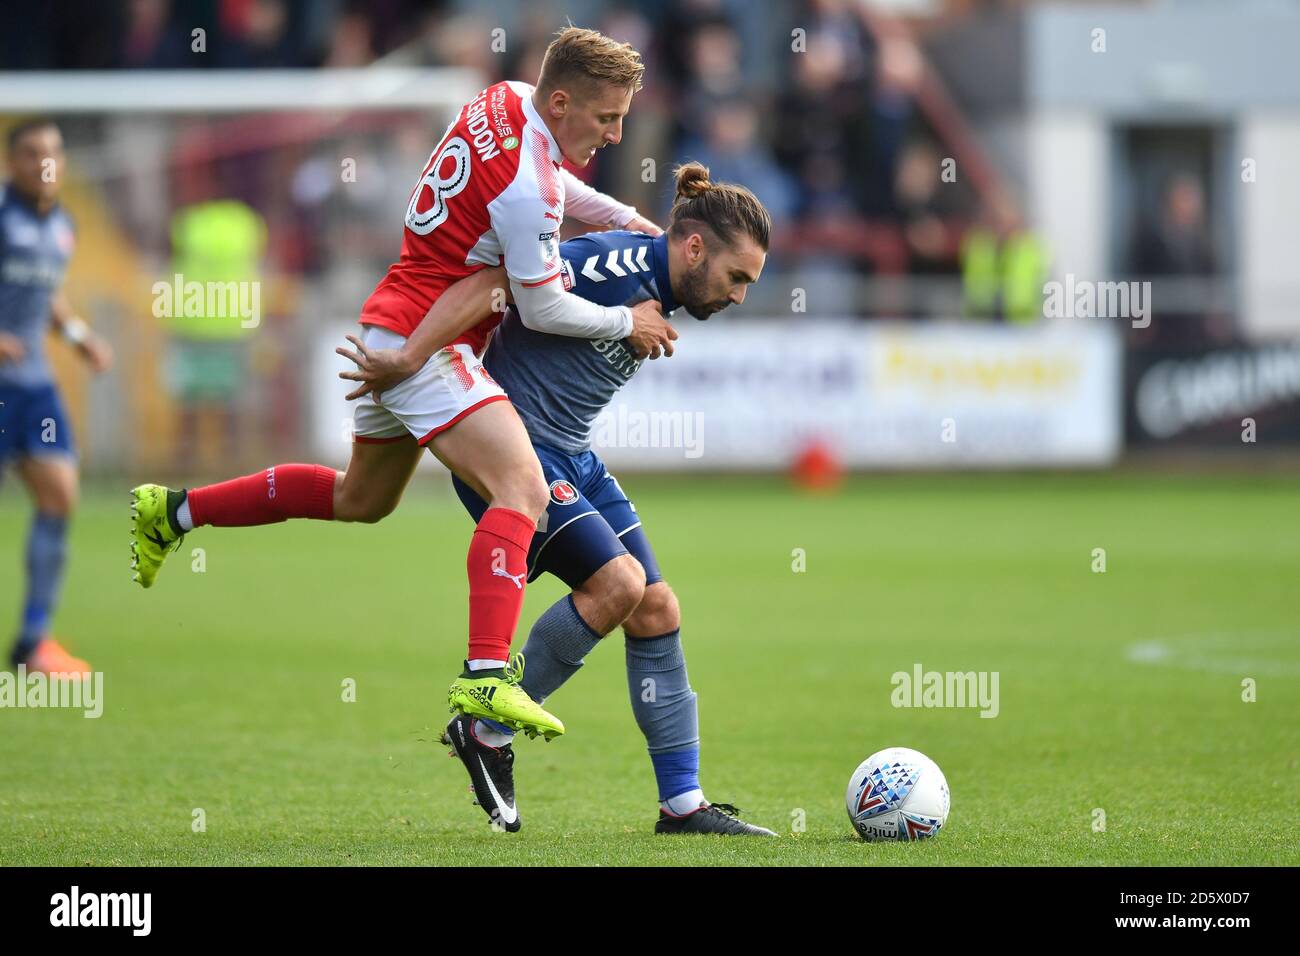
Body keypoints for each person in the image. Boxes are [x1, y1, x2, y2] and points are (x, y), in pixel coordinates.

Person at [129, 27, 676, 742]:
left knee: (360, 498)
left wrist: (626, 218)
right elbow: (540, 304)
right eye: (607, 117)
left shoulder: (507, 100)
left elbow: (555, 187)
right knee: (524, 487)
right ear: (564, 100)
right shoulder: (526, 185)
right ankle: (485, 678)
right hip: (428, 341)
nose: (615, 131)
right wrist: (621, 323)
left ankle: (171, 512)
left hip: (397, 318)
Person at [346, 163, 775, 835]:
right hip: (516, 453)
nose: (740, 295)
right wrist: (412, 354)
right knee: (618, 585)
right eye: (736, 278)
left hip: (574, 454)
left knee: (656, 606)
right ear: (695, 249)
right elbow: (493, 285)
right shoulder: (612, 265)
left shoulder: (654, 284)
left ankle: (683, 806)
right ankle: (486, 732)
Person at [1, 119, 113, 674]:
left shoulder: (62, 225)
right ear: (11, 163)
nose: (43, 164)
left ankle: (32, 642)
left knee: (61, 495)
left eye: (53, 153)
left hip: (34, 385)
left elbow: (48, 299)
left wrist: (80, 338)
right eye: (30, 154)